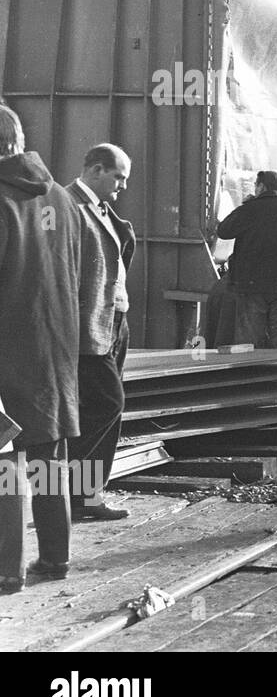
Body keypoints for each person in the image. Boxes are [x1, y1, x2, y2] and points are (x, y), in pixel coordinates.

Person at [0, 103, 81, 592]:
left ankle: (6, 568)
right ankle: (55, 558)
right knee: (48, 457)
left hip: (7, 344)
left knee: (3, 458)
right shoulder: (62, 199)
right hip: (54, 348)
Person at [65, 144, 137, 520]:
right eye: (118, 177)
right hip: (86, 328)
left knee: (102, 409)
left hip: (112, 321)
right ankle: (78, 496)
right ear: (95, 169)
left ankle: (85, 498)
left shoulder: (103, 210)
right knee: (108, 404)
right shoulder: (69, 206)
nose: (122, 185)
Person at [216, 170, 277, 349]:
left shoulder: (250, 209)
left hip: (252, 285)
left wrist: (244, 205)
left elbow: (224, 231)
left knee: (250, 343)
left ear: (261, 187)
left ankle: (254, 375)